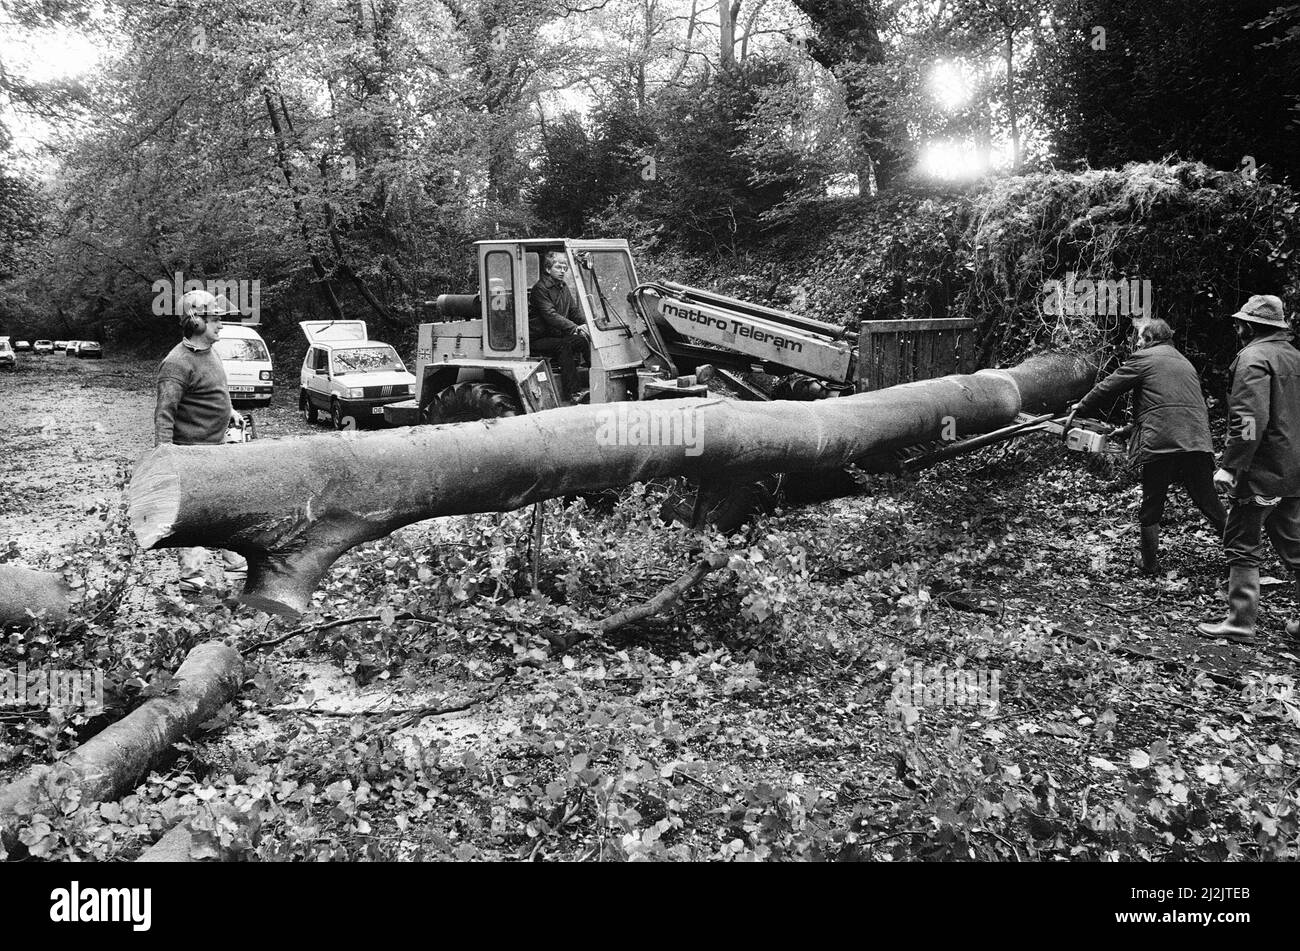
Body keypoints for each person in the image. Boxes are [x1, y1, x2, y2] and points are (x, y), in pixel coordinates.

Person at [1067, 318, 1225, 575]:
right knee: (1209, 501)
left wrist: (1080, 407)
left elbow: (1110, 387)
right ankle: (1243, 556)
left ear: (1150, 340)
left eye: (1140, 339)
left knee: (1152, 502)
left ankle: (1150, 564)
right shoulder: (1184, 362)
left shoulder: (1145, 358)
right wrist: (1130, 429)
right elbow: (1169, 407)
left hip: (1162, 444)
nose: (1137, 343)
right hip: (1196, 441)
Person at [1198, 294, 1300, 644]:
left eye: (1240, 322)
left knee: (1242, 542)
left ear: (1249, 326)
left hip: (1262, 470)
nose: (1237, 327)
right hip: (1294, 470)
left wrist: (1230, 466)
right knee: (1295, 545)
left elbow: (1248, 419)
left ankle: (1240, 622)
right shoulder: (1295, 357)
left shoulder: (1253, 357)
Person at [155, 289, 248, 595]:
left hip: (217, 451)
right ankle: (192, 582)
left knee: (227, 511)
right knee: (195, 519)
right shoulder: (176, 364)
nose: (221, 324)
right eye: (216, 318)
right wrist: (165, 460)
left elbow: (216, 389)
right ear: (196, 322)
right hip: (191, 458)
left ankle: (238, 568)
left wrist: (230, 410)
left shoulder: (211, 353)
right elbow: (164, 415)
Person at [527, 251, 589, 397]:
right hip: (538, 338)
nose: (562, 271)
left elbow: (573, 311)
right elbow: (550, 315)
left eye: (564, 268)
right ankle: (573, 393)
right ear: (548, 269)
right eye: (558, 267)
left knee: (582, 340)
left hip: (556, 335)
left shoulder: (563, 287)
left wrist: (589, 325)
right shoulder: (540, 289)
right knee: (563, 345)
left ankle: (597, 380)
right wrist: (574, 327)